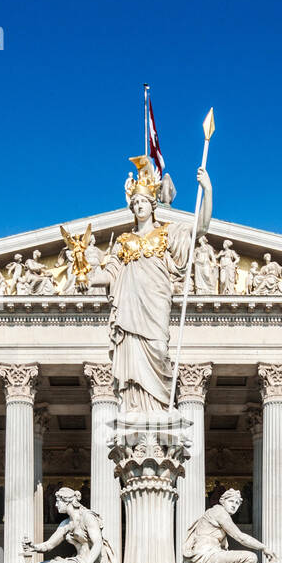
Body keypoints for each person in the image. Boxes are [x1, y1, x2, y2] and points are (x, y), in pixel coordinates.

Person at [85, 156, 212, 413]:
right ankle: (135, 410)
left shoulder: (167, 234)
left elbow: (200, 227)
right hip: (130, 311)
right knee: (132, 363)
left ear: (152, 204)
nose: (139, 206)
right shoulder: (123, 242)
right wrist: (88, 271)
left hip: (155, 306)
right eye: (135, 203)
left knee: (158, 350)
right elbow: (110, 274)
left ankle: (159, 411)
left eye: (143, 201)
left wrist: (207, 190)